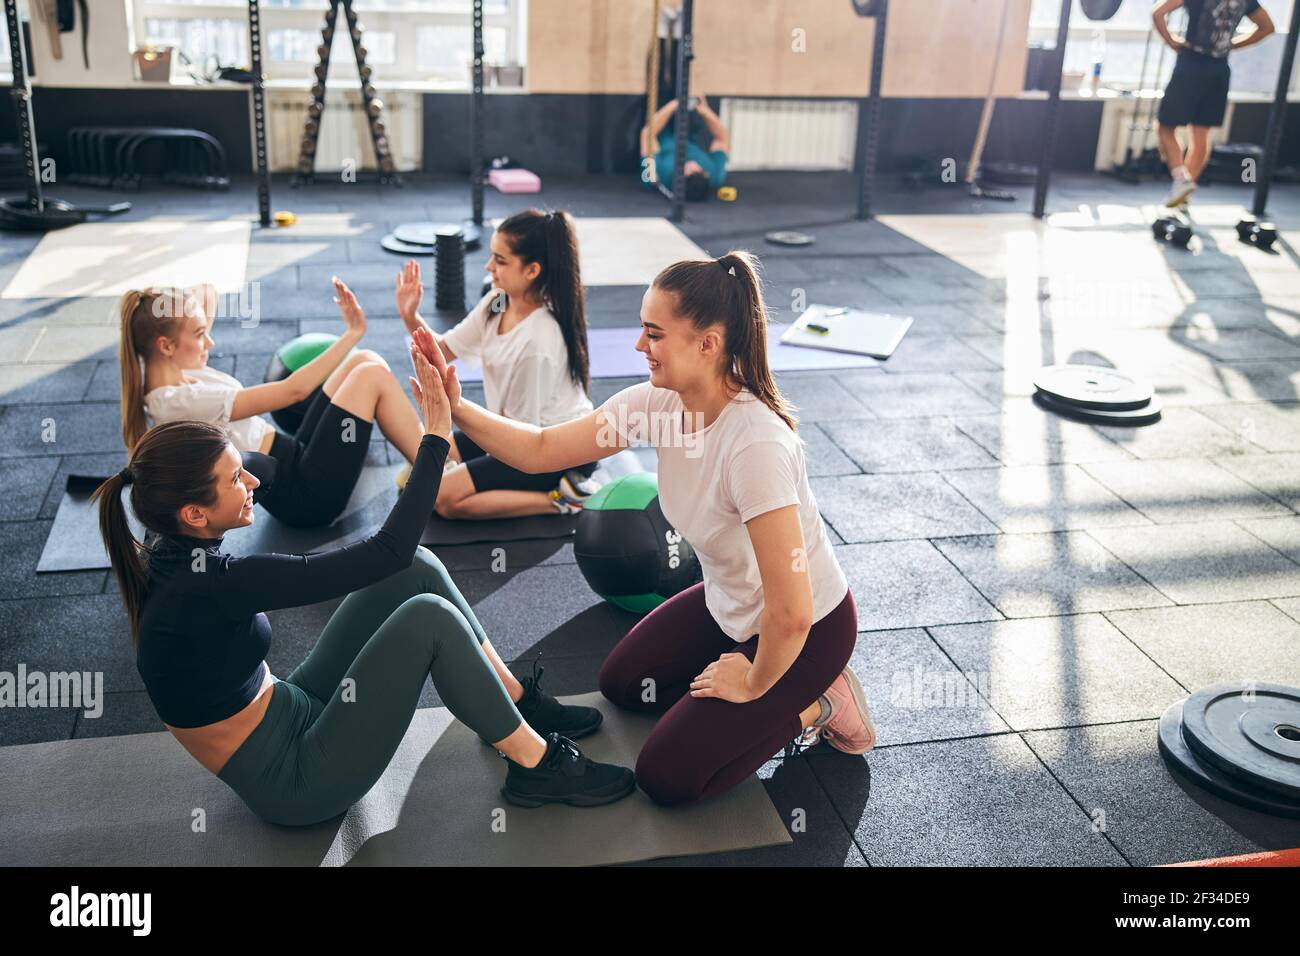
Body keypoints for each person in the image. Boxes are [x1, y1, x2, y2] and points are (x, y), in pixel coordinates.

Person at [91, 344, 634, 826]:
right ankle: (537, 767)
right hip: (296, 780)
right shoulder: (217, 583)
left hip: (292, 706)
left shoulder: (171, 540)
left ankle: (517, 702)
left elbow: (278, 471)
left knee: (418, 567)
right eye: (236, 479)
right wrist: (435, 439)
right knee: (428, 616)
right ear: (192, 512)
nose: (252, 480)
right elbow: (383, 551)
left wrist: (354, 383)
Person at [411, 250, 876, 808]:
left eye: (654, 333)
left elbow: (794, 610)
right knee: (626, 684)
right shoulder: (657, 405)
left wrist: (753, 682)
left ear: (708, 343)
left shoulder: (756, 444)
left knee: (670, 778)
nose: (639, 346)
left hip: (805, 631)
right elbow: (540, 451)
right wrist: (457, 408)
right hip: (730, 605)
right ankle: (749, 703)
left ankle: (821, 701)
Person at [119, 278, 424, 528]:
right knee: (370, 374)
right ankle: (436, 472)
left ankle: (426, 456)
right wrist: (352, 333)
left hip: (295, 456)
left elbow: (207, 291)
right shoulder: (180, 402)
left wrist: (169, 305)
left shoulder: (180, 373)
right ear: (166, 346)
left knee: (364, 359)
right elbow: (294, 392)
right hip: (305, 493)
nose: (209, 341)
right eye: (200, 334)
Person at [394, 209, 600, 520]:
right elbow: (446, 349)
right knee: (432, 450)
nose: (489, 267)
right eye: (493, 257)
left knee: (441, 499)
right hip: (518, 429)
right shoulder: (498, 302)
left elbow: (525, 444)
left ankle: (562, 499)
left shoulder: (538, 342)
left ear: (531, 270)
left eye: (501, 261)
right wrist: (411, 316)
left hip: (557, 450)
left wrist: (463, 470)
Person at [1153, 0, 1275, 208]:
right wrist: (1231, 45)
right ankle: (1183, 192)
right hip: (1219, 69)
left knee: (1165, 127)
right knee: (1201, 133)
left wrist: (1171, 41)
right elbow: (1267, 27)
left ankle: (1181, 181)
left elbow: (1158, 13)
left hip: (1191, 64)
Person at [639, 95, 729, 200]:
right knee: (693, 92)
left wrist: (675, 104)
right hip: (691, 128)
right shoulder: (715, 175)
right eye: (699, 170)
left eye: (689, 170)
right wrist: (705, 111)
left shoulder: (652, 177)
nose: (694, 165)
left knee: (660, 95)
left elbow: (647, 134)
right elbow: (722, 138)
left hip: (660, 129)